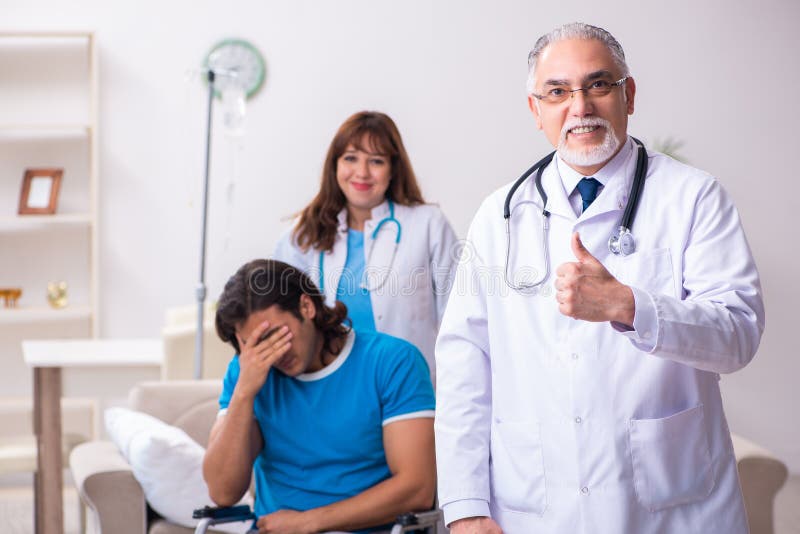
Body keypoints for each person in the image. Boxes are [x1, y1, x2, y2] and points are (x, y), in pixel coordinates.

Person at [434, 22, 764, 534]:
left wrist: (630, 306)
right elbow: (464, 365)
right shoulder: (499, 214)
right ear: (535, 110)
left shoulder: (693, 197)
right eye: (558, 91)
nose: (580, 106)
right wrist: (464, 507)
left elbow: (737, 336)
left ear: (628, 94)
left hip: (674, 508)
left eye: (599, 85)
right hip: (534, 508)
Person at [203, 259, 436, 533]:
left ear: (306, 306)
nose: (273, 352)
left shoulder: (392, 362)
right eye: (255, 343)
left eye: (275, 334)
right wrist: (243, 393)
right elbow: (222, 492)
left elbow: (417, 488)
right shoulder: (248, 372)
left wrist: (308, 523)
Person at [274, 111, 458, 383]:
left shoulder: (427, 224)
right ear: (334, 164)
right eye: (350, 158)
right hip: (333, 384)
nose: (362, 172)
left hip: (408, 382)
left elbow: (455, 314)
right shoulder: (304, 233)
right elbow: (284, 315)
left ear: (393, 169)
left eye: (376, 161)